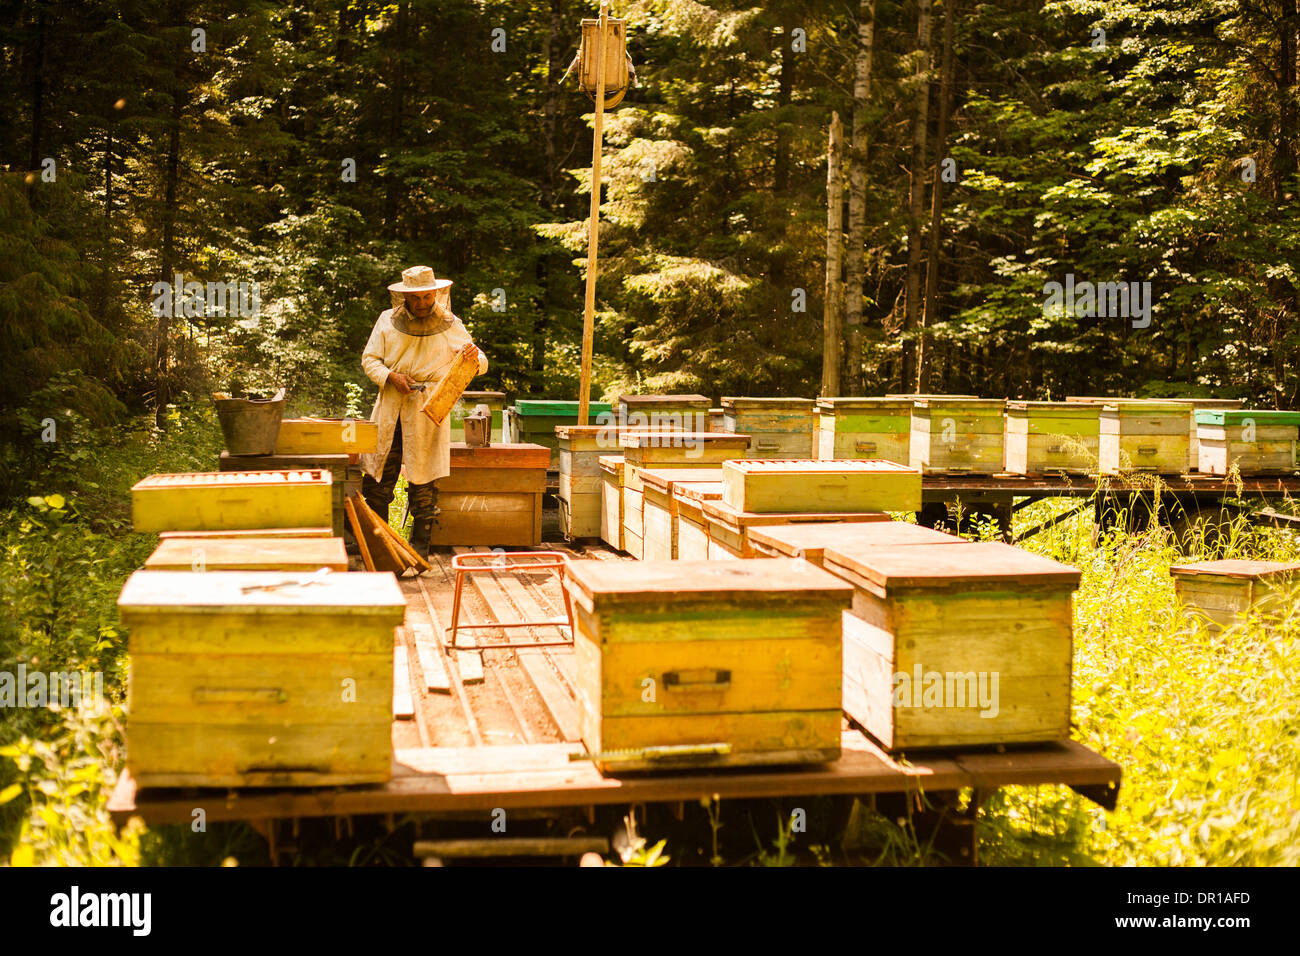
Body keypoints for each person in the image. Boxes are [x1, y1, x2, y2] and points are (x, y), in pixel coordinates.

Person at [360, 266, 487, 557]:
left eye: (427, 297)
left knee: (424, 477)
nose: (421, 303)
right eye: (415, 298)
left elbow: (480, 361)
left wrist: (474, 356)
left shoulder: (451, 323)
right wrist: (391, 377)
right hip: (391, 405)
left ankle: (420, 548)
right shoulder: (386, 321)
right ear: (403, 297)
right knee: (378, 477)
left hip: (428, 408)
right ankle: (381, 546)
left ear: (436, 294)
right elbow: (369, 360)